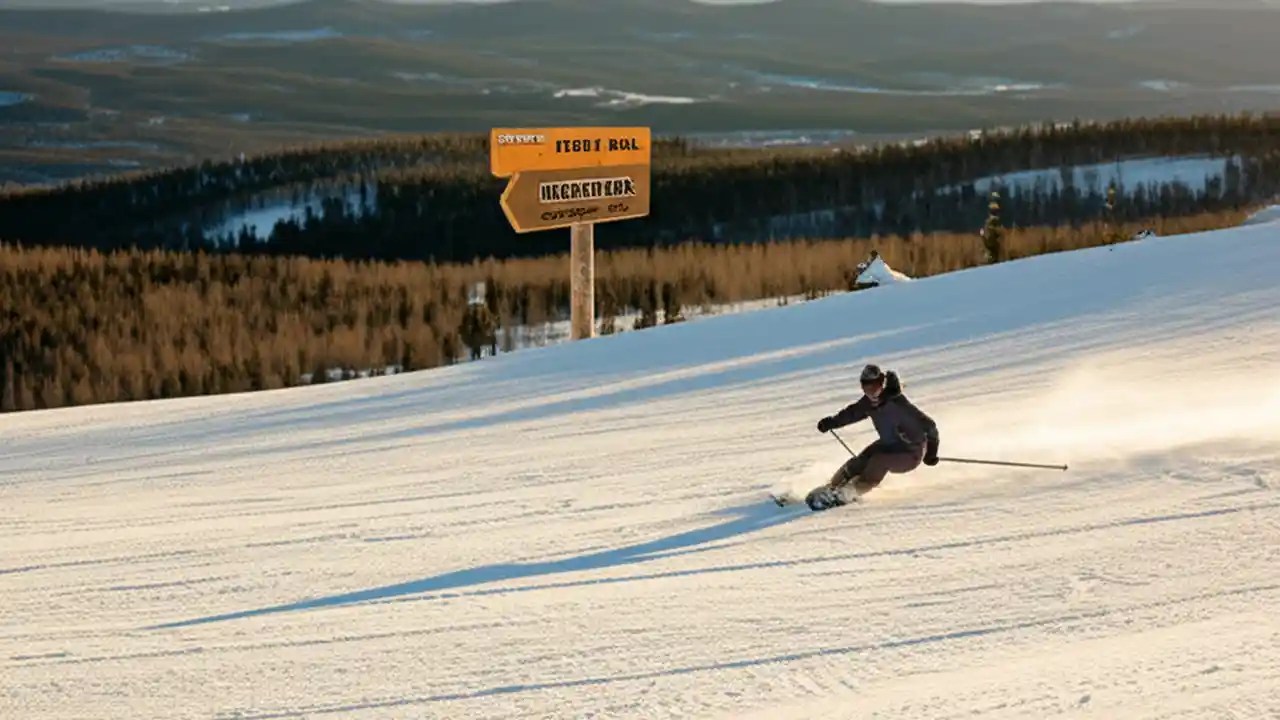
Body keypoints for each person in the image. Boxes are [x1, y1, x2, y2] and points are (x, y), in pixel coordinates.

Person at [813, 363, 940, 504]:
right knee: (860, 460)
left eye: (873, 388)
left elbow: (930, 426)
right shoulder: (869, 402)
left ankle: (850, 493)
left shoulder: (898, 403)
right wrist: (831, 422)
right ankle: (831, 487)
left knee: (878, 462)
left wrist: (931, 453)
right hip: (888, 444)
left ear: (881, 384)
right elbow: (852, 413)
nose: (870, 393)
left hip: (910, 452)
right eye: (865, 388)